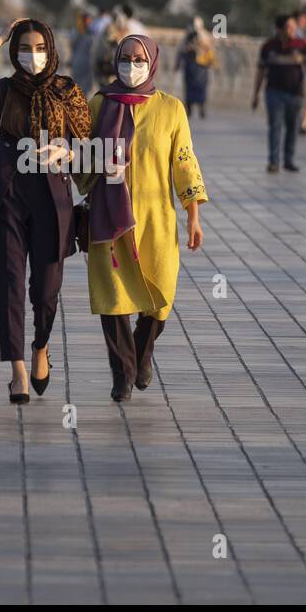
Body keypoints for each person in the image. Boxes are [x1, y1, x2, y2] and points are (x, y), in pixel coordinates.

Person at [0, 19, 91, 403]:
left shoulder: (67, 90)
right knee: (8, 281)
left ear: (51, 50)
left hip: (53, 194)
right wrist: (0, 37)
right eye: (23, 48)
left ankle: (40, 345)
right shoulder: (5, 90)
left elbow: (90, 144)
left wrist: (67, 152)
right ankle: (17, 369)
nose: (31, 55)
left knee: (46, 287)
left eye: (38, 47)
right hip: (10, 194)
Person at [77, 34, 207, 402]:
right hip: (108, 216)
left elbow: (184, 162)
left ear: (152, 62)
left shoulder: (171, 109)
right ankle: (123, 373)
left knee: (161, 293)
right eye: (125, 57)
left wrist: (193, 215)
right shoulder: (99, 104)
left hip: (156, 219)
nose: (131, 65)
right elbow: (82, 155)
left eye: (138, 58)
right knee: (113, 296)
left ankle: (142, 349)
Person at [252, 12, 306, 173]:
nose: (291, 30)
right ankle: (274, 162)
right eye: (288, 27)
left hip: (296, 94)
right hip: (274, 93)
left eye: (294, 27)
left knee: (293, 127)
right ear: (279, 29)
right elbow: (260, 71)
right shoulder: (268, 47)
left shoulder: (302, 45)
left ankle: (289, 160)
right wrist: (255, 94)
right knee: (275, 126)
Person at [176, 16, 216, 119]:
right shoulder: (187, 36)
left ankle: (201, 108)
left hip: (201, 68)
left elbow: (210, 50)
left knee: (201, 88)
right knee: (190, 88)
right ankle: (189, 109)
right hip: (190, 67)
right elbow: (181, 50)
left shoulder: (205, 35)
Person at [70, 10, 96, 96]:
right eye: (85, 20)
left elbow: (93, 49)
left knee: (86, 91)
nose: (87, 22)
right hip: (77, 63)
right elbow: (72, 45)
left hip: (87, 65)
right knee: (76, 89)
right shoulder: (76, 32)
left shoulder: (92, 33)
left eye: (89, 20)